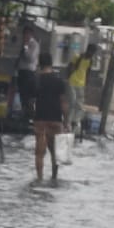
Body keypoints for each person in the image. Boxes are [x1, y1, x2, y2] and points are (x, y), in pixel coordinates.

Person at [31, 52, 69, 183]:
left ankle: (39, 179)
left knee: (39, 153)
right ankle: (54, 178)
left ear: (40, 64)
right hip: (55, 120)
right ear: (51, 63)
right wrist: (67, 121)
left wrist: (31, 116)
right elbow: (63, 102)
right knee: (55, 153)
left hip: (40, 119)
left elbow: (31, 101)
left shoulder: (36, 79)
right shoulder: (59, 81)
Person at [65, 41, 97, 137]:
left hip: (81, 84)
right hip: (72, 82)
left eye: (93, 53)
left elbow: (88, 72)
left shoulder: (91, 60)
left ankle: (75, 121)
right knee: (73, 102)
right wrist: (68, 78)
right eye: (91, 52)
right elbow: (69, 67)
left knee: (80, 104)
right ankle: (68, 122)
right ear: (88, 50)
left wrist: (86, 83)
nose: (91, 54)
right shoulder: (78, 57)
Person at [15, 26, 40, 123]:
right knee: (22, 93)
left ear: (31, 34)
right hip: (21, 72)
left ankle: (29, 114)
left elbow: (30, 58)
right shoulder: (24, 44)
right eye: (24, 34)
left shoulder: (34, 44)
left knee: (27, 95)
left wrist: (25, 47)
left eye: (27, 34)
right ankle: (24, 113)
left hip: (29, 72)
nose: (25, 36)